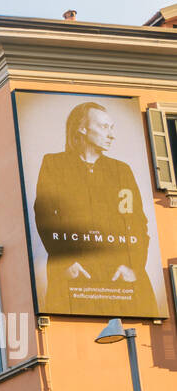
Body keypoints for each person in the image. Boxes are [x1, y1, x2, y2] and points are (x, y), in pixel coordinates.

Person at [33, 100, 158, 317]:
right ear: (82, 128)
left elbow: (137, 222)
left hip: (121, 276)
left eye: (112, 128)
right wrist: (66, 262)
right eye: (104, 127)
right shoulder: (54, 164)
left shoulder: (121, 170)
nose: (111, 135)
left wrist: (133, 267)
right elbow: (44, 216)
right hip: (73, 275)